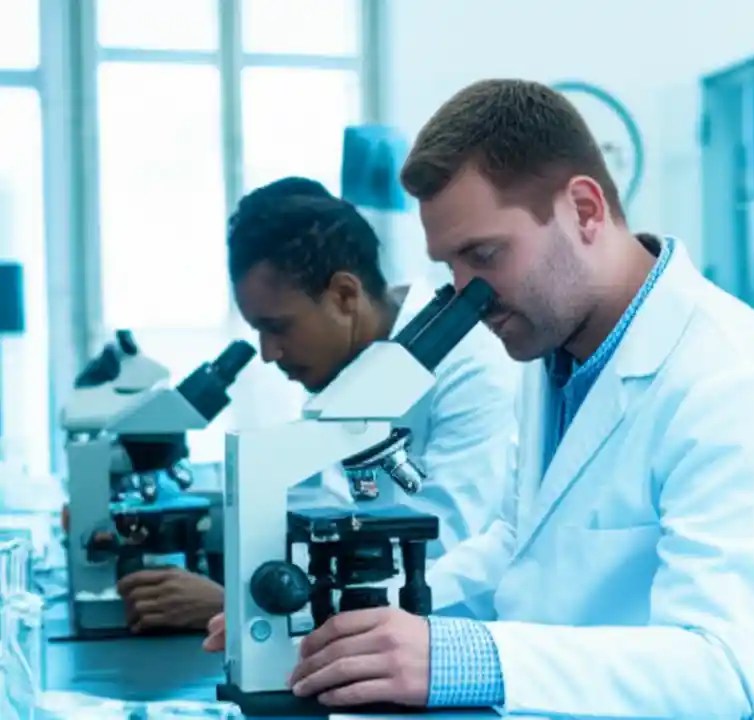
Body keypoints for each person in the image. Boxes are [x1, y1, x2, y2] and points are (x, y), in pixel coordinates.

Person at [205, 79, 754, 718]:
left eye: (484, 255)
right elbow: (516, 546)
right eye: (450, 267)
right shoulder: (553, 355)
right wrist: (343, 622)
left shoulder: (731, 379)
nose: (469, 295)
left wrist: (465, 658)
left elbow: (720, 669)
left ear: (584, 211)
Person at [117, 177, 521, 634]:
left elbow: (440, 553)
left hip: (439, 644)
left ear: (345, 295)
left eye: (277, 327)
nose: (268, 353)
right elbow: (317, 500)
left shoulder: (470, 367)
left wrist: (247, 605)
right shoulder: (350, 368)